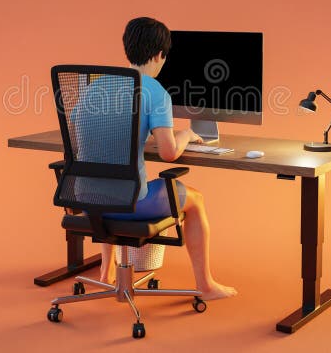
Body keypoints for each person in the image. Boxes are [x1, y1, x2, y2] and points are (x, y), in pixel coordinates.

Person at [93, 17, 237, 301]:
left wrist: (138, 137)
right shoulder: (155, 92)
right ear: (160, 55)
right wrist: (186, 134)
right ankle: (205, 286)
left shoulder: (97, 85)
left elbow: (90, 139)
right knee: (194, 200)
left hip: (86, 200)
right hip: (127, 204)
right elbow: (169, 152)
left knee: (107, 183)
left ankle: (104, 273)